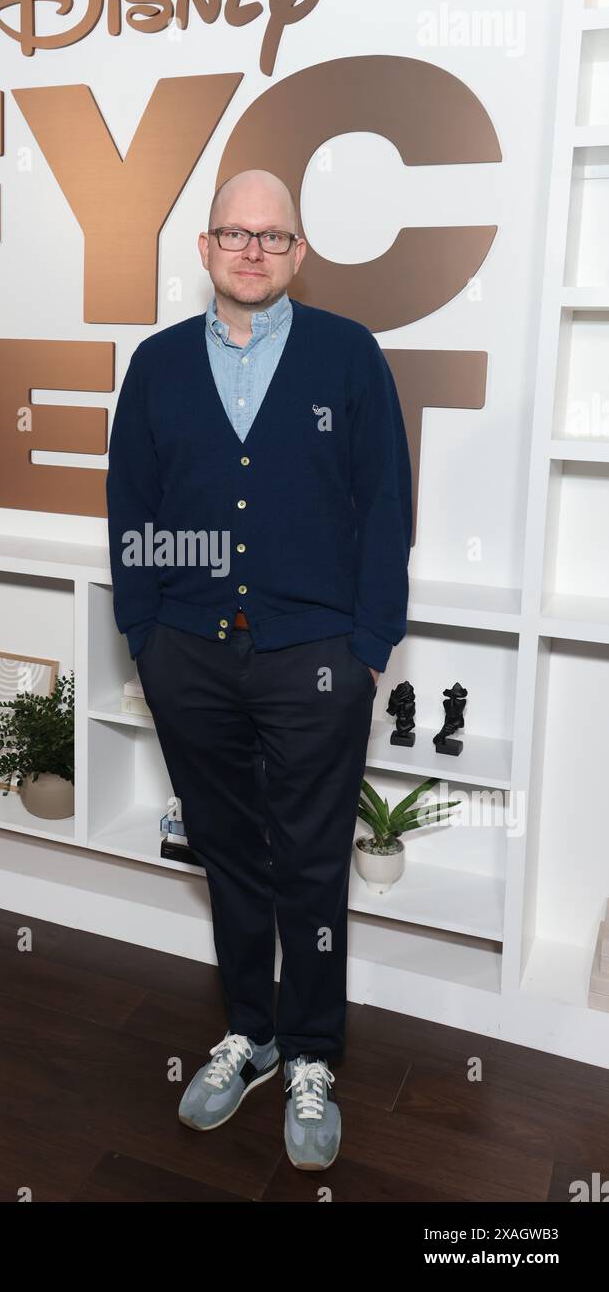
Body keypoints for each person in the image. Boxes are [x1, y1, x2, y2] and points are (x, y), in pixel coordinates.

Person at [106, 168, 412, 1171]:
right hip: (188, 654)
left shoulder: (346, 356)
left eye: (271, 236)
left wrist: (365, 648)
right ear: (203, 248)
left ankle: (314, 1053)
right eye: (233, 233)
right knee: (228, 856)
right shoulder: (153, 364)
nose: (251, 249)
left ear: (297, 253)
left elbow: (384, 510)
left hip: (314, 659)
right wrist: (147, 635)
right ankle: (251, 1032)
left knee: (312, 864)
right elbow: (132, 513)